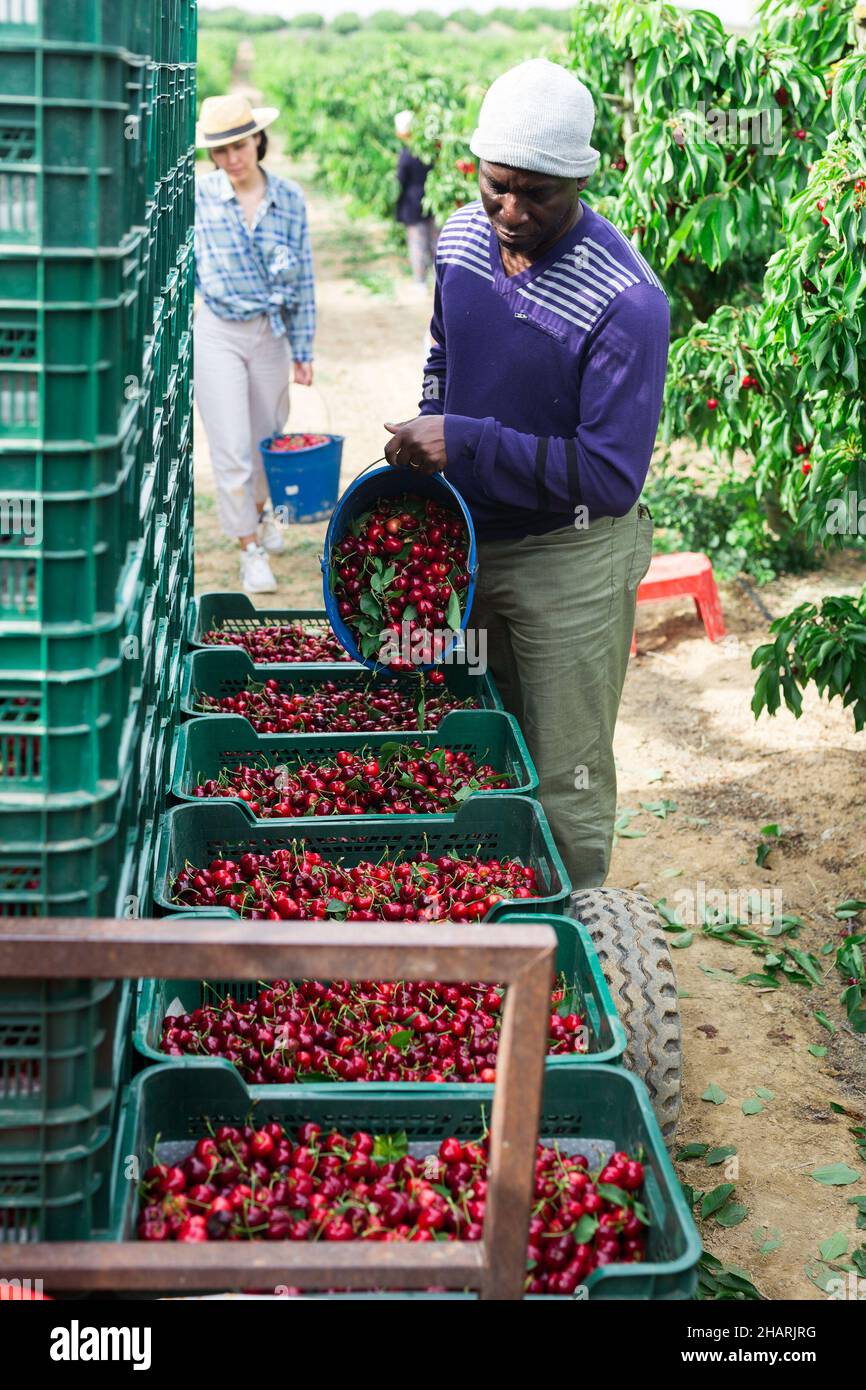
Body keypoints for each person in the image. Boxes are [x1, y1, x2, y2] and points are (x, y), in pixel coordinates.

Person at [383, 60, 670, 891]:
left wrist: (466, 441)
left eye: (536, 194)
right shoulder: (464, 240)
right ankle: (487, 919)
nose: (511, 211)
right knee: (476, 735)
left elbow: (608, 478)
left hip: (569, 556)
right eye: (496, 186)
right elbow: (445, 353)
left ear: (581, 176)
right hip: (473, 537)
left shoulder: (627, 301)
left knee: (563, 767)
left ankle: (573, 929)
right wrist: (433, 447)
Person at [194, 94, 316, 594]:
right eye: (221, 151)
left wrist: (304, 349)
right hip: (218, 329)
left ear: (257, 140)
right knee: (230, 448)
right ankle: (248, 547)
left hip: (270, 331)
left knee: (268, 436)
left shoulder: (288, 198)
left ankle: (263, 515)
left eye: (239, 145)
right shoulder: (199, 197)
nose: (232, 159)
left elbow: (303, 275)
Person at [394, 110, 438, 290]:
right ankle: (439, 280)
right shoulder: (430, 148)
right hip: (431, 199)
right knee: (435, 241)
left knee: (417, 243)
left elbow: (400, 180)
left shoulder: (407, 153)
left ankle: (420, 282)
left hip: (412, 203)